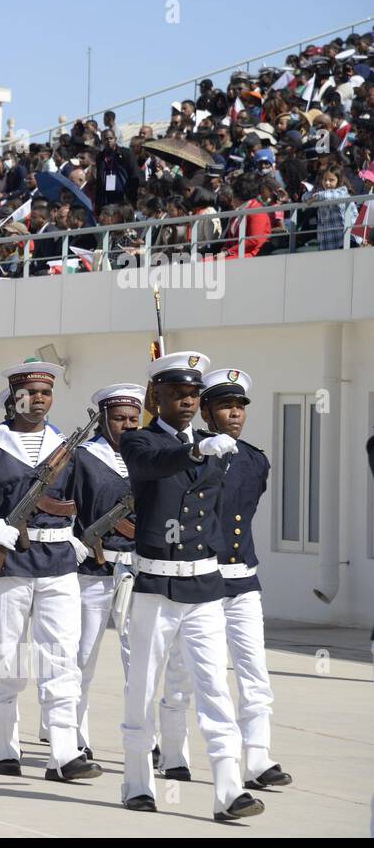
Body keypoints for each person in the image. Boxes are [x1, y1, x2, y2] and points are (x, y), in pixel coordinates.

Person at [0, 359, 102, 782]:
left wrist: (83, 538)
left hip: (59, 566)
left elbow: (87, 500)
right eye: (30, 393)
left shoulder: (67, 446)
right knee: (3, 658)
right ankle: (2, 745)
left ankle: (64, 752)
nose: (39, 400)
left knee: (60, 659)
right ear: (15, 398)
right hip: (10, 565)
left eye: (46, 393)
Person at [117, 351, 264, 821]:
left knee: (214, 689)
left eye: (192, 395)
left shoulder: (214, 444)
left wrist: (207, 449)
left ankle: (229, 789)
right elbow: (154, 467)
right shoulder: (139, 442)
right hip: (157, 585)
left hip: (204, 584)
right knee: (142, 687)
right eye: (176, 394)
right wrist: (198, 451)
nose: (185, 402)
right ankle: (137, 781)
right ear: (155, 398)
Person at [159, 368, 293, 792]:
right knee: (188, 671)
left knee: (254, 670)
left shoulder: (256, 460)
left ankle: (257, 756)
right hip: (203, 578)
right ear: (206, 411)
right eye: (224, 406)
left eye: (240, 406)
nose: (235, 413)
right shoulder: (192, 453)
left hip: (243, 578)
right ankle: (174, 750)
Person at [70, 383, 143, 758]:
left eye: (133, 419)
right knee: (83, 655)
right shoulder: (83, 457)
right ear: (103, 419)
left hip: (138, 570)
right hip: (92, 568)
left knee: (140, 660)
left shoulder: (147, 456)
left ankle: (147, 739)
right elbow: (68, 505)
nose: (127, 426)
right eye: (118, 419)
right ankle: (74, 736)